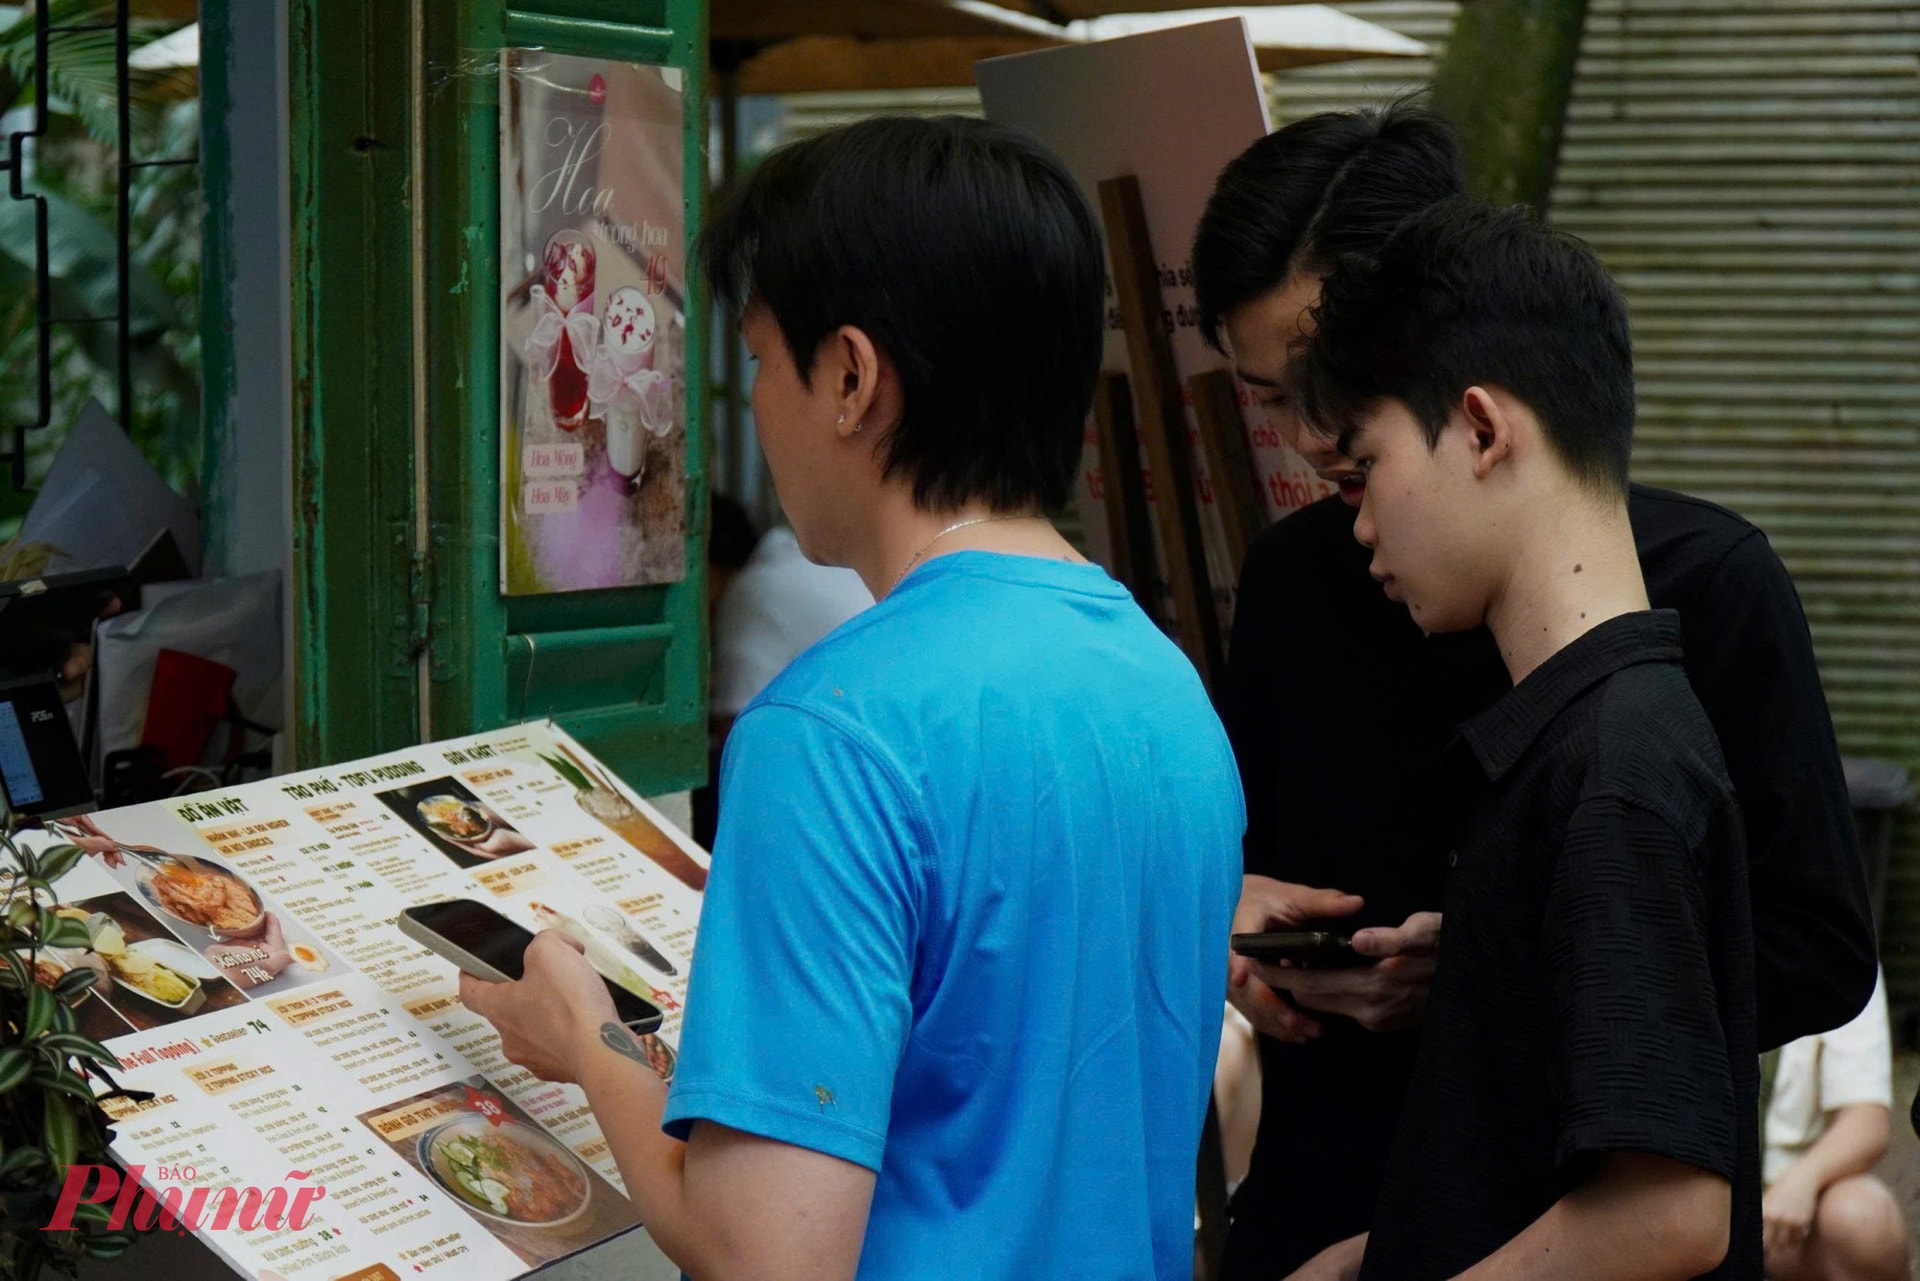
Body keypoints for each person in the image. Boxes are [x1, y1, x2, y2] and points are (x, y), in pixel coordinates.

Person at [460, 115, 1243, 1280]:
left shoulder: (831, 734)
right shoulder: (1168, 686)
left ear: (851, 378)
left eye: (764, 358)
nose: (755, 403)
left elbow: (766, 1255)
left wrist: (591, 1042)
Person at [1191, 102, 1877, 1276]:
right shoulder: (1294, 581)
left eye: (1329, 384)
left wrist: (1488, 974)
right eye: (1271, 396)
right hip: (1350, 1191)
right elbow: (1254, 853)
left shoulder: (1682, 621)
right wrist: (1240, 933)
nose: (1313, 441)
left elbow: (1804, 958)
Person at [1285, 196, 1759, 1280]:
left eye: (1364, 471)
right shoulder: (1590, 735)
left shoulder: (1612, 771)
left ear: (1484, 430)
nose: (1358, 527)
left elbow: (1670, 1214)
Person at [1762, 970, 1908, 1280]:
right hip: (1690, 1194)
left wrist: (1800, 1181)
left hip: (1778, 1209)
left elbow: (1865, 1120)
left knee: (1863, 1217)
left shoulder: (1838, 950)